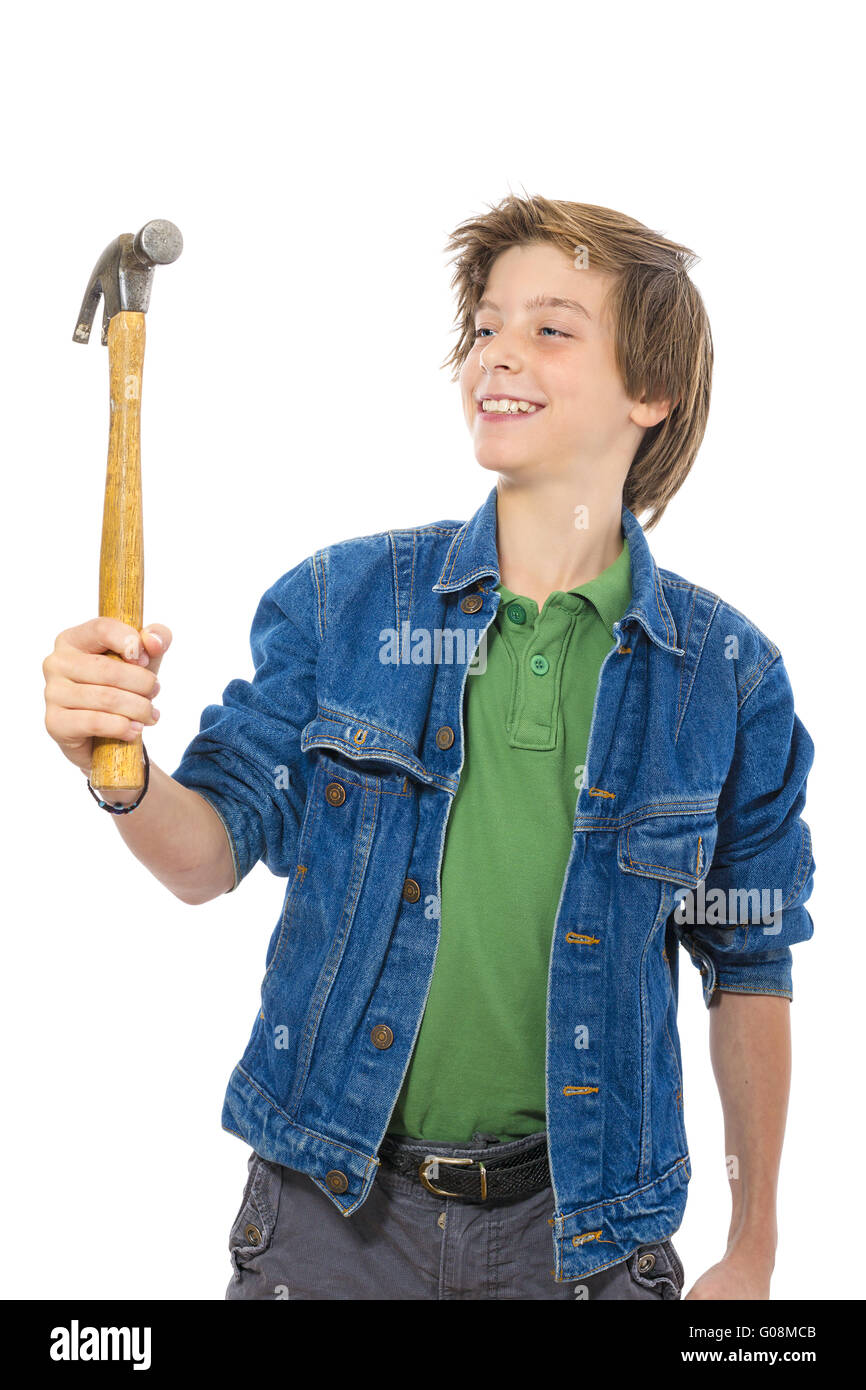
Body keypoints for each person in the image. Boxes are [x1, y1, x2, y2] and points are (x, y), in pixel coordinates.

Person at [43, 194, 815, 1301]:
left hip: (585, 1238)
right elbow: (207, 853)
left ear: (652, 392)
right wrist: (117, 770)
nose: (497, 354)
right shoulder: (345, 603)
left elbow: (748, 965)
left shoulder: (727, 677)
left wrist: (752, 1246)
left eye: (550, 328)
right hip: (329, 1220)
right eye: (485, 326)